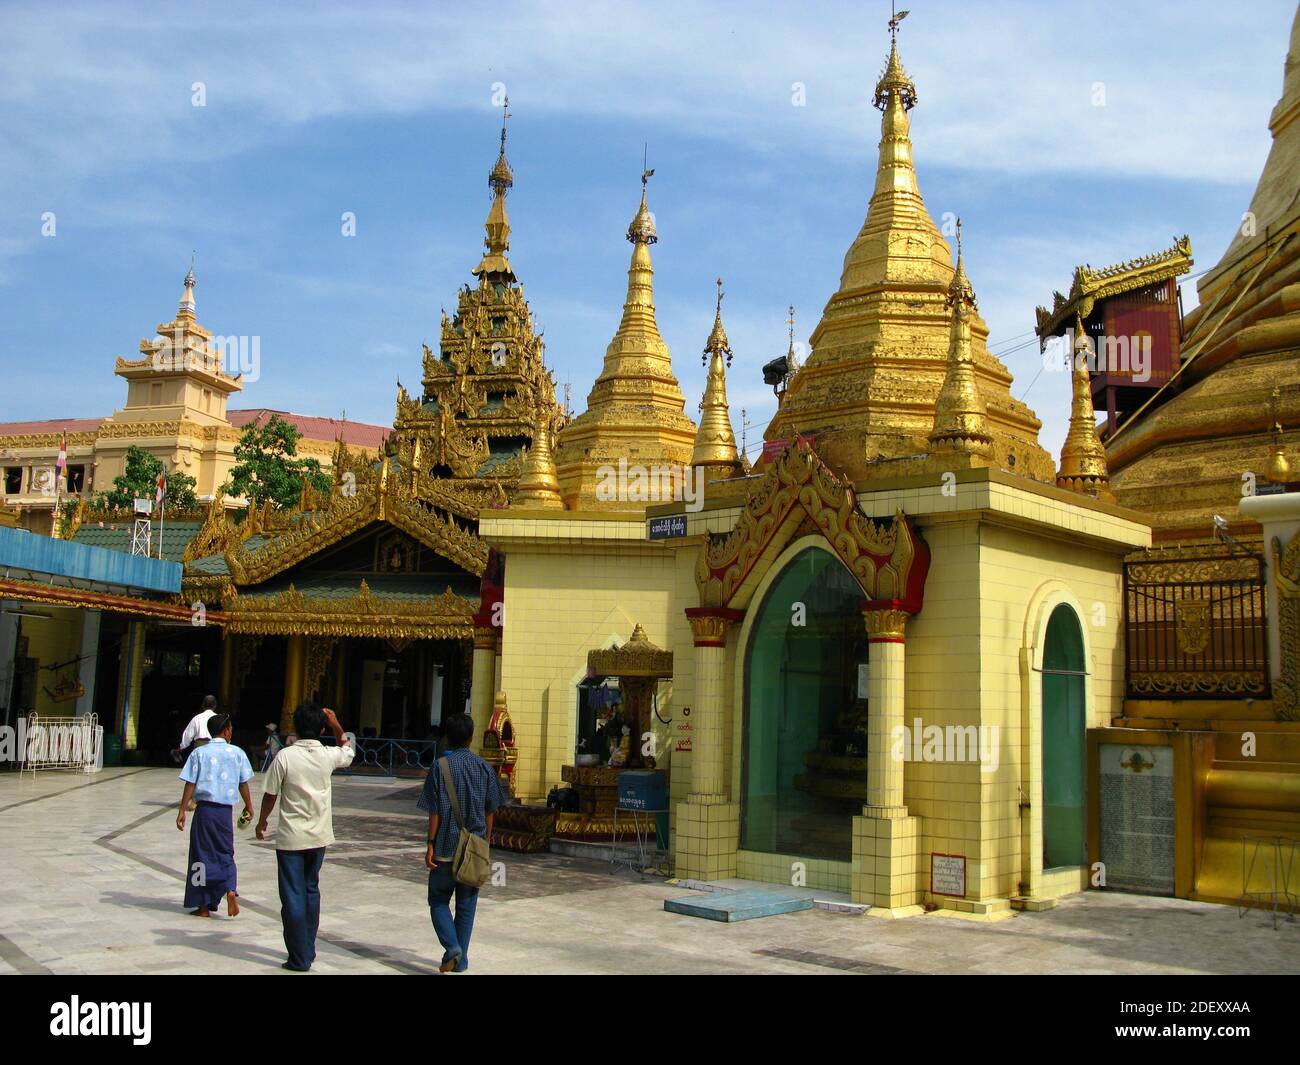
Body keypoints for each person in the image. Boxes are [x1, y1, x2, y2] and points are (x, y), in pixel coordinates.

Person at [256, 702, 354, 972]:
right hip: (319, 835)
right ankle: (307, 949)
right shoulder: (327, 755)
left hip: (291, 837)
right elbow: (348, 750)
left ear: (295, 728)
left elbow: (271, 794)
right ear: (321, 729)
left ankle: (299, 956)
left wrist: (262, 821)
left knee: (292, 896)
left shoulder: (286, 757)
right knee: (311, 890)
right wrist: (336, 724)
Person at [418, 712, 502, 973]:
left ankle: (452, 948)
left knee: (439, 901)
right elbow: (492, 809)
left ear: (447, 737)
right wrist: (485, 841)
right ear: (471, 737)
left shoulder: (439, 767)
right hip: (474, 847)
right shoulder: (484, 767)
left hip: (445, 844)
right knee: (466, 906)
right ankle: (460, 961)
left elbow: (435, 811)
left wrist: (430, 842)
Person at [176, 713, 254, 918]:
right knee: (225, 852)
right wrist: (249, 806)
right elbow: (243, 783)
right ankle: (230, 888)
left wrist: (182, 810)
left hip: (204, 812)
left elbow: (190, 783)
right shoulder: (237, 753)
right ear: (226, 730)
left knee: (200, 856)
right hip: (224, 814)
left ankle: (202, 906)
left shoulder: (199, 753)